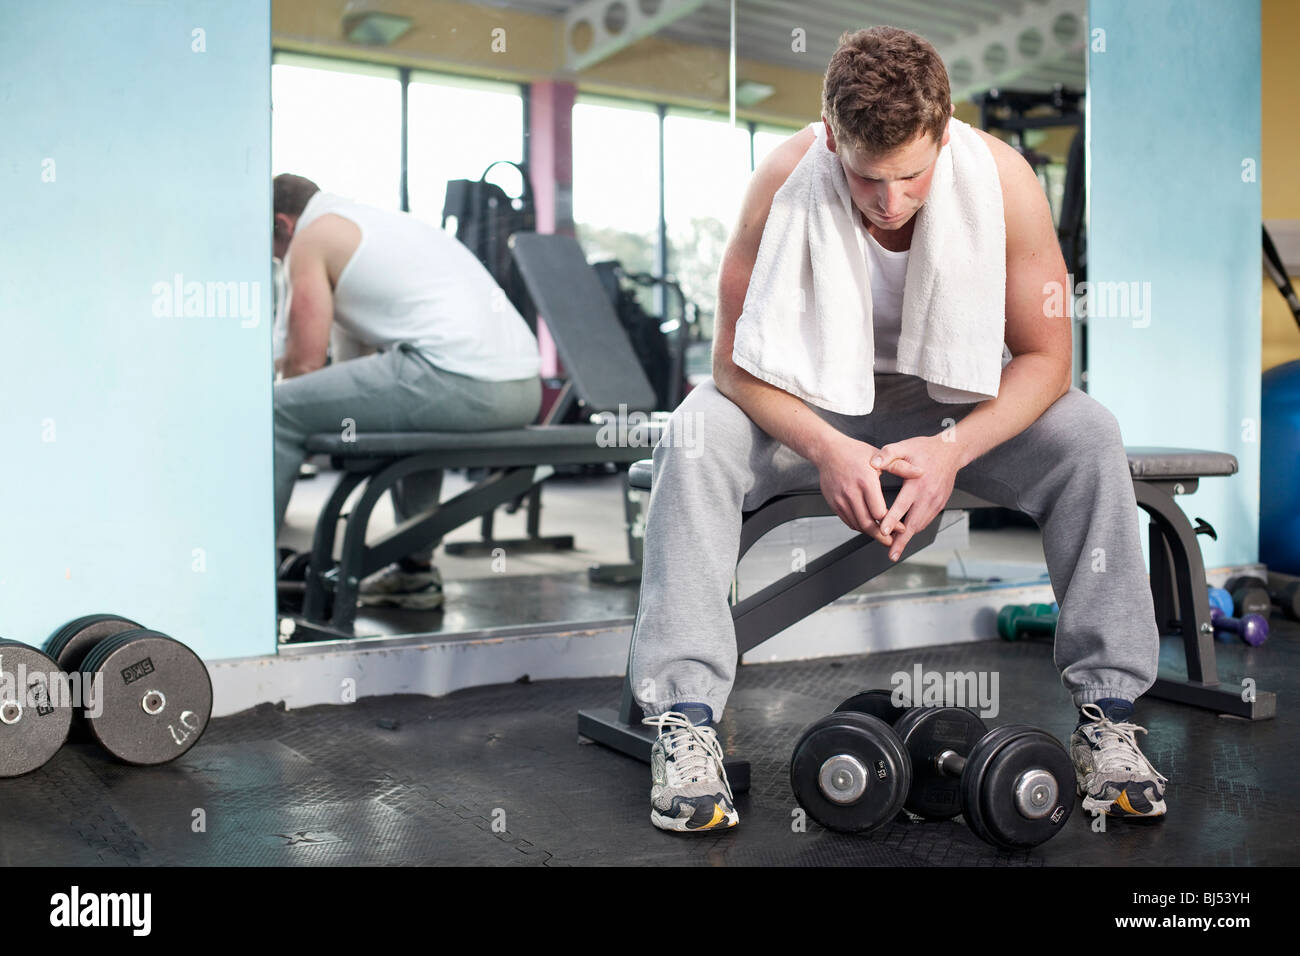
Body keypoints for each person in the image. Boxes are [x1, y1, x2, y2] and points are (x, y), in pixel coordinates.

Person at [632, 26, 1166, 833]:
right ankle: (686, 719)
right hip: (810, 401)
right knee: (696, 428)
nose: (889, 202)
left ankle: (1110, 714)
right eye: (865, 177)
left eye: (912, 175)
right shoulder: (783, 177)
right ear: (830, 140)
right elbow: (734, 364)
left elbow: (1048, 360)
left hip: (948, 402)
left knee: (1089, 432)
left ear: (944, 132)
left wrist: (953, 449)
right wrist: (824, 444)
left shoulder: (1005, 181)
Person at [272, 174, 542, 609]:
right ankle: (414, 575)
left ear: (283, 225)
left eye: (271, 252)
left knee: (275, 412)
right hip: (521, 390)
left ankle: (246, 572)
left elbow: (303, 365)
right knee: (402, 403)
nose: (275, 261)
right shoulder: (379, 226)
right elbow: (352, 376)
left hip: (459, 381)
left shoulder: (310, 239)